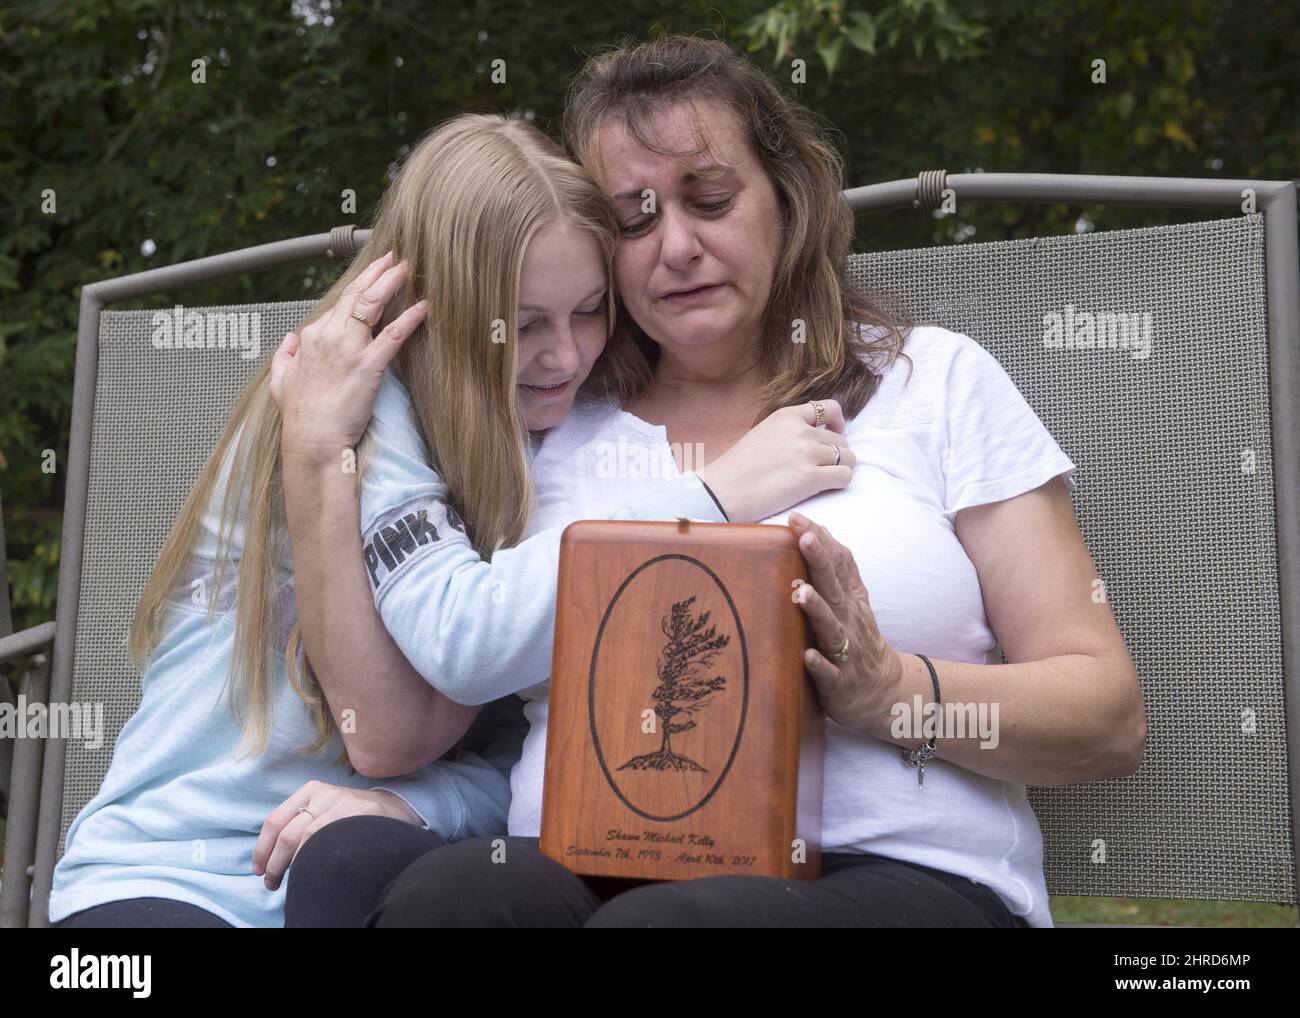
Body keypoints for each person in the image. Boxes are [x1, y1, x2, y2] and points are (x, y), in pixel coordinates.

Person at [283, 35, 1147, 929]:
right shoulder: (548, 419)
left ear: (787, 196)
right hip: (582, 857)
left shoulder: (932, 382)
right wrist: (320, 439)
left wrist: (892, 693)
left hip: (894, 873)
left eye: (711, 199)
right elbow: (431, 688)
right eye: (635, 219)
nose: (678, 247)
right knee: (446, 900)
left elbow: (1106, 716)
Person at [49, 111, 851, 929]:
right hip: (175, 877)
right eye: (525, 322)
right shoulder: (363, 402)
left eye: (588, 310)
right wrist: (709, 498)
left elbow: (529, 741)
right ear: (433, 309)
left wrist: (426, 801)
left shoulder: (554, 433)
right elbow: (410, 712)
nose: (566, 356)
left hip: (356, 868)